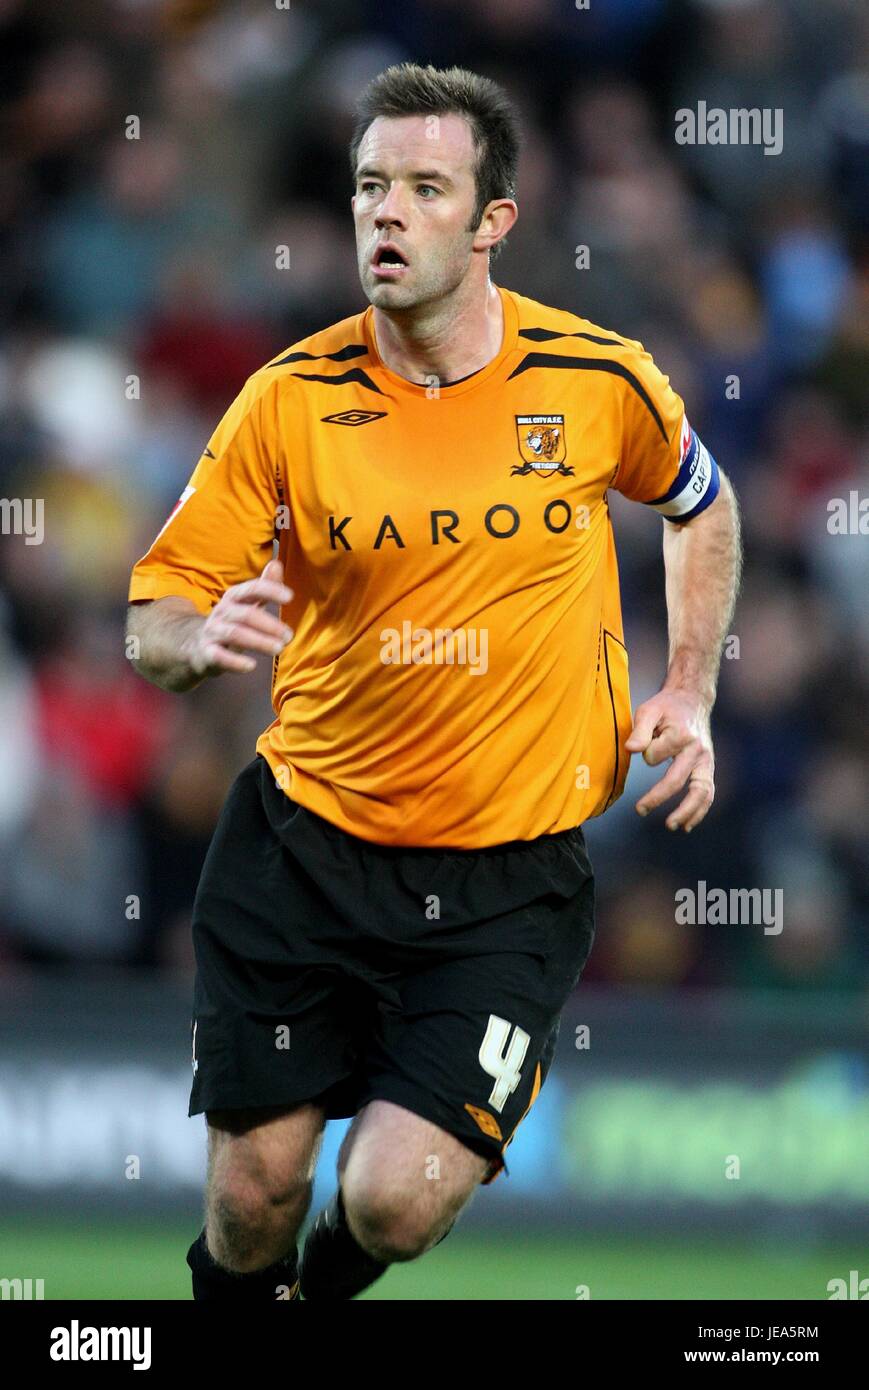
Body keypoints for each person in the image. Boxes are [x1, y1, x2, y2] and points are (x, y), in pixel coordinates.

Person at [126, 62, 742, 1301]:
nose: (384, 214)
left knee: (390, 1202)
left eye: (421, 187)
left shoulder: (595, 378)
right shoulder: (286, 402)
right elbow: (157, 607)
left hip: (506, 879)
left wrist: (688, 685)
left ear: (493, 221)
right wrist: (189, 645)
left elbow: (699, 503)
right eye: (367, 187)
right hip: (306, 848)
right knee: (252, 1199)